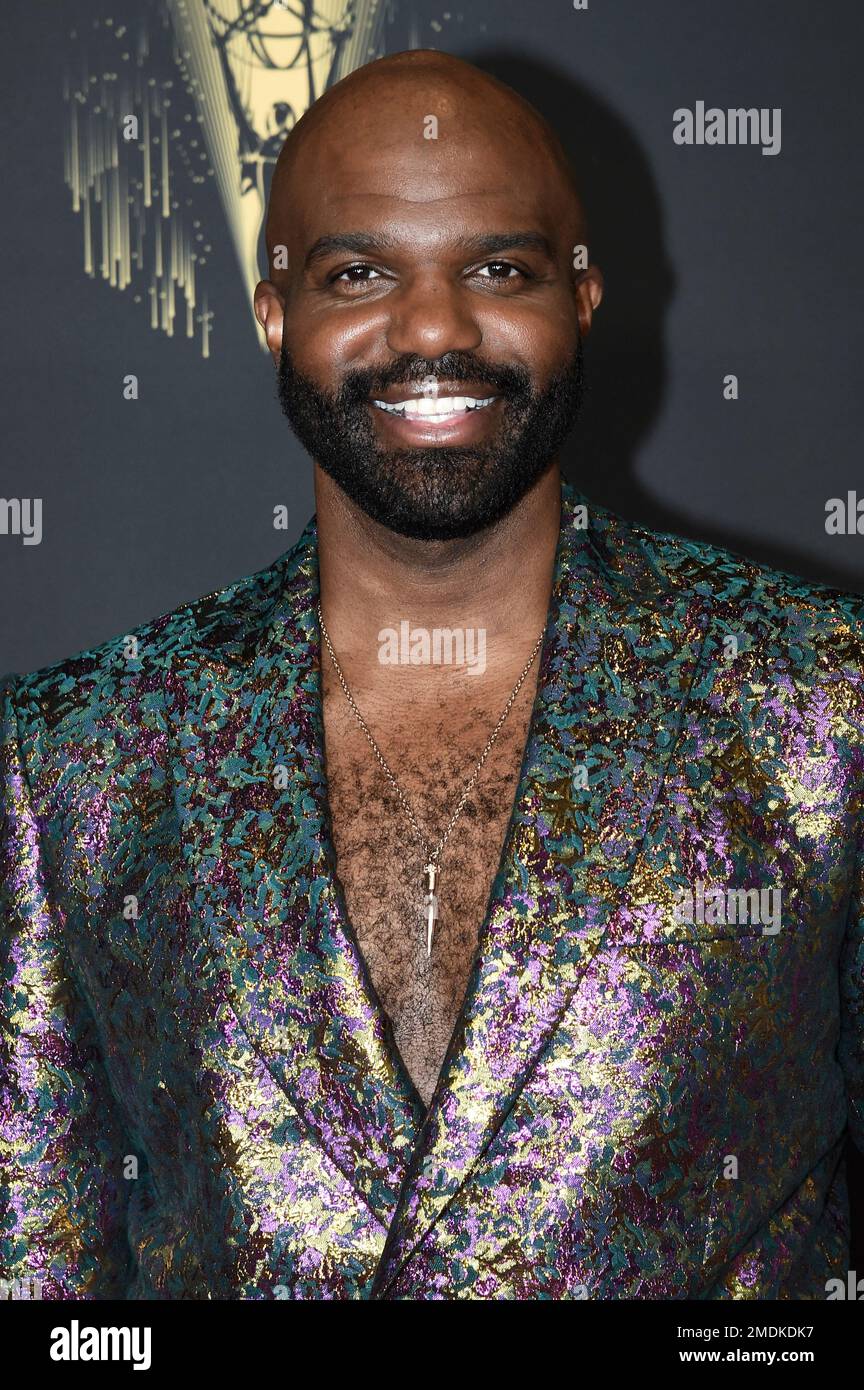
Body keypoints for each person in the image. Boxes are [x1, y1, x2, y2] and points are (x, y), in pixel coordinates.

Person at [1, 49, 862, 1301]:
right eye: (360, 272)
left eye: (498, 269)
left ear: (585, 297)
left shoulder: (822, 702)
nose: (436, 331)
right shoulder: (80, 754)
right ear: (273, 311)